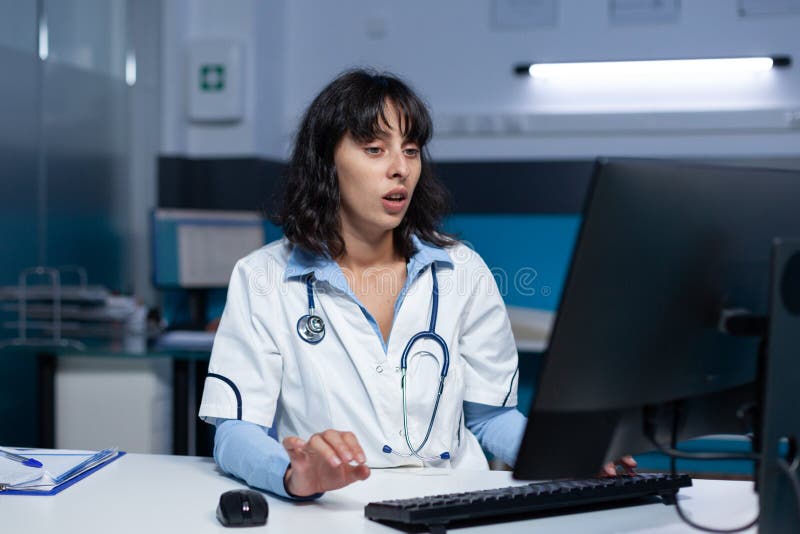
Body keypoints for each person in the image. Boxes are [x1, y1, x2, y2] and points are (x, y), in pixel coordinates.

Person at [198, 68, 635, 499]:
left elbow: (490, 419)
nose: (400, 169)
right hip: (334, 511)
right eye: (374, 149)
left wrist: (570, 455)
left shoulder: (462, 270)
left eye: (410, 150)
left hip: (455, 505)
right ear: (325, 162)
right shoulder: (262, 278)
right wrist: (293, 474)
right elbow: (235, 431)